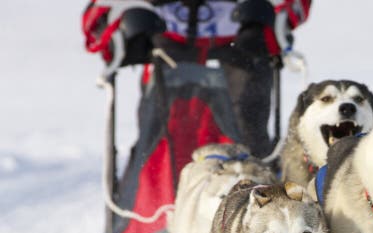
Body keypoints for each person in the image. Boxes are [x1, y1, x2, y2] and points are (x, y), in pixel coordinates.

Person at [82, 0, 311, 157]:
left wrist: (272, 17)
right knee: (161, 137)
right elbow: (97, 17)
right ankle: (150, 212)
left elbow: (294, 5)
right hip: (165, 40)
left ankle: (260, 205)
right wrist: (123, 25)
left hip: (243, 39)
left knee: (247, 131)